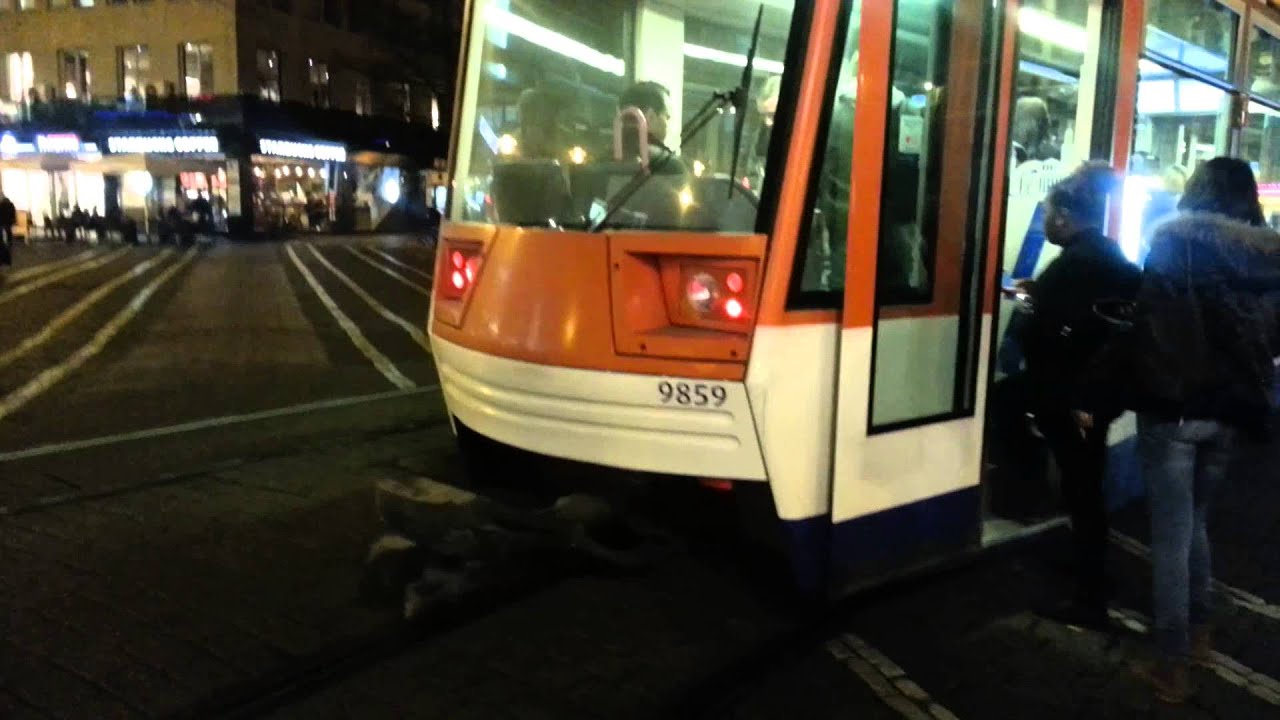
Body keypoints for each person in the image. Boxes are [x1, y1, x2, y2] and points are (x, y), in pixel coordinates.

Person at [1125, 157, 1280, 702]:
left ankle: (1170, 663)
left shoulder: (1174, 244)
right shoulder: (1267, 258)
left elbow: (1148, 325)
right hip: (1231, 412)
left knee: (1170, 534)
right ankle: (1201, 635)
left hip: (1176, 409)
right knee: (1196, 523)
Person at [1017, 162, 1142, 629]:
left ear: (1066, 215)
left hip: (1073, 398)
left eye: (1048, 212)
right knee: (1088, 483)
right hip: (1098, 397)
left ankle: (1089, 595)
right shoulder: (1111, 257)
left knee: (1082, 487)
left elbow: (1046, 334)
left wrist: (1031, 305)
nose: (1046, 220)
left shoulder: (1073, 265)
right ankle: (1091, 572)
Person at [617, 81, 686, 175]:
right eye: (667, 117)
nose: (667, 125)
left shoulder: (600, 161)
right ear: (650, 116)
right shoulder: (669, 166)